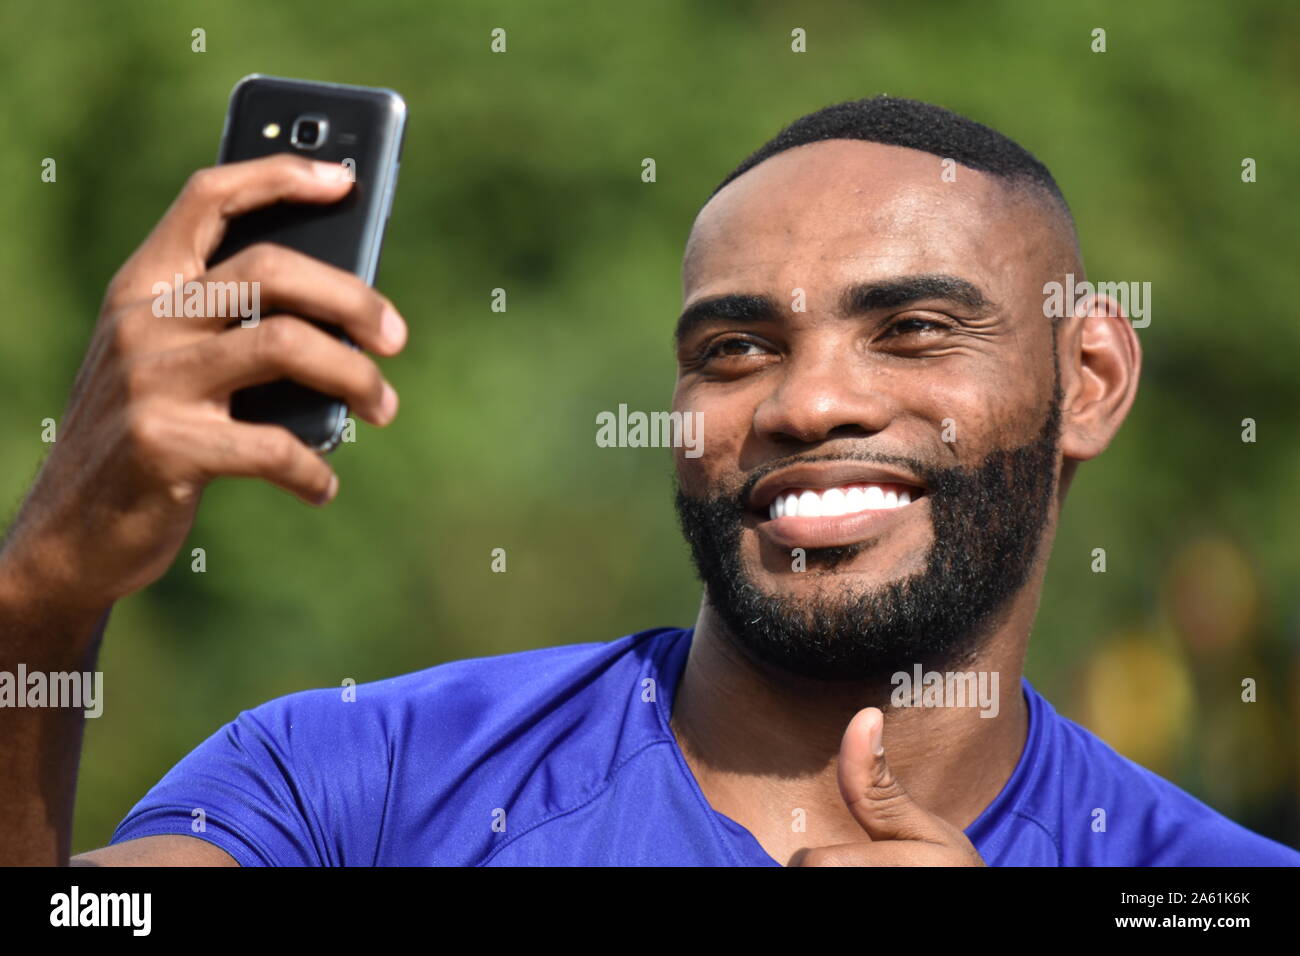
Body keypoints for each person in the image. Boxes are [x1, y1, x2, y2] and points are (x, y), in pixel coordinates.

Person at [2, 96, 1296, 866]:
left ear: (1091, 378)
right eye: (735, 349)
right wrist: (43, 596)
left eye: (912, 329)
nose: (807, 404)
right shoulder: (358, 785)